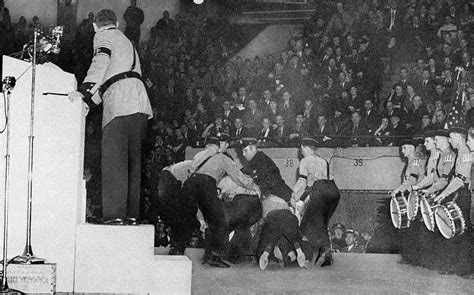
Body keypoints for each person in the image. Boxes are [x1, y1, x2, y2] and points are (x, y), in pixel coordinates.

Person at [68, 9, 152, 225]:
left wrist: (83, 92)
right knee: (133, 162)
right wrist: (89, 103)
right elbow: (113, 76)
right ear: (115, 22)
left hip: (120, 104)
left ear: (96, 26)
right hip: (140, 104)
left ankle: (114, 214)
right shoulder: (126, 40)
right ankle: (131, 215)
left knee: (114, 159)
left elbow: (100, 65)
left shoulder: (102, 36)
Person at [181, 134, 260, 268]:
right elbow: (238, 177)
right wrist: (253, 186)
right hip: (206, 184)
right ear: (218, 147)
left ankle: (180, 249)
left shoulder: (198, 156)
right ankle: (214, 256)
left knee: (197, 219)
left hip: (189, 184)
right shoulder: (222, 157)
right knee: (219, 220)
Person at [291, 138, 341, 267]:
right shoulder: (323, 160)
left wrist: (295, 196)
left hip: (320, 191)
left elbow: (304, 182)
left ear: (304, 147)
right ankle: (326, 256)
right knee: (321, 224)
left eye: (301, 149)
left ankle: (313, 255)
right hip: (333, 192)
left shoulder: (305, 161)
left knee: (306, 225)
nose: (300, 152)